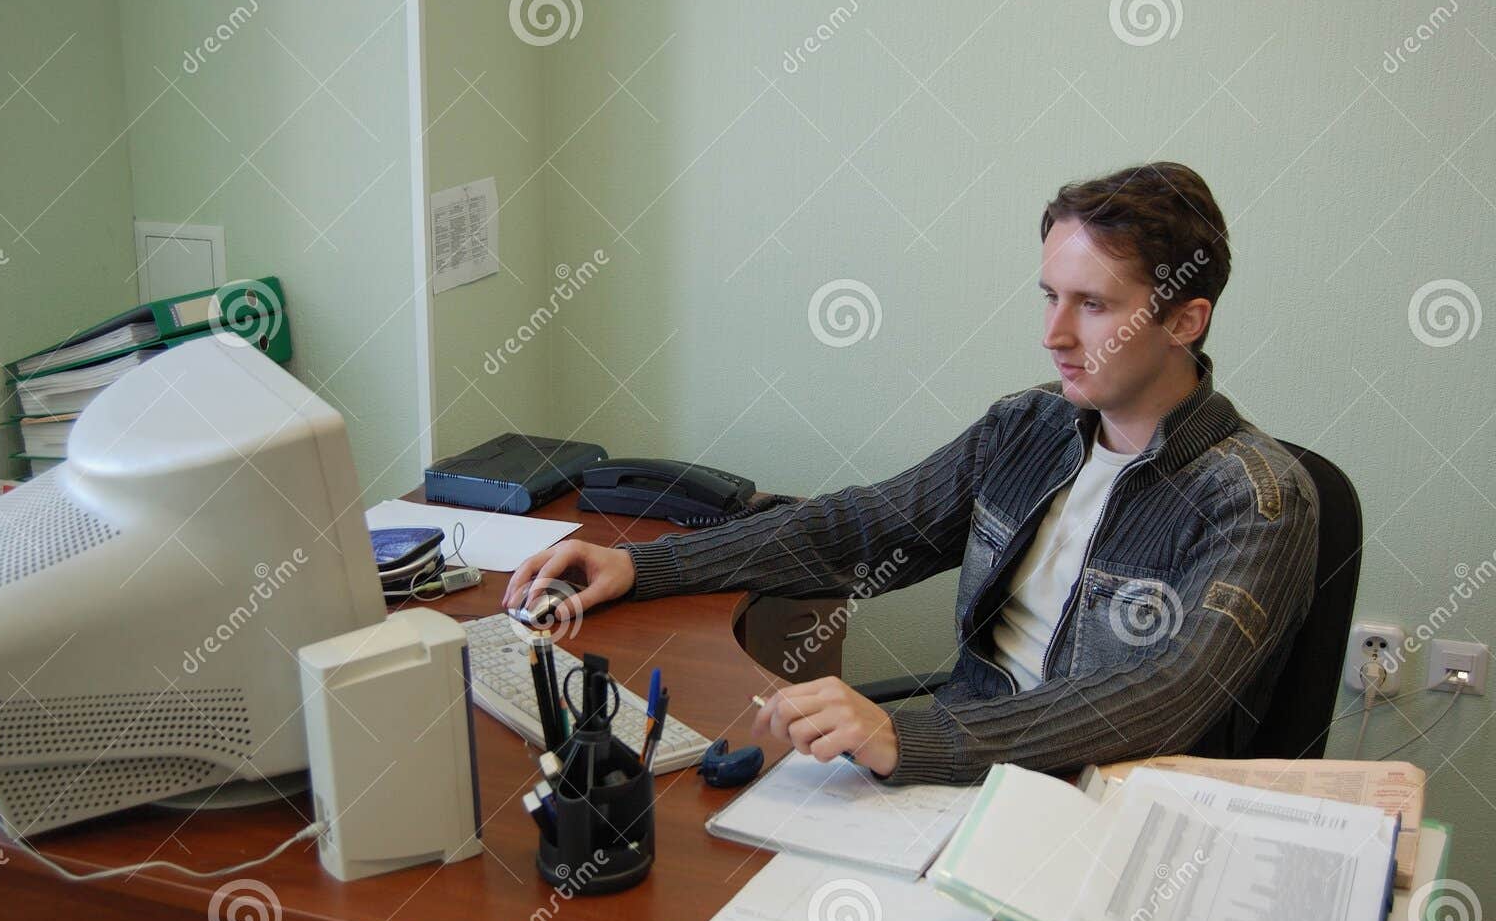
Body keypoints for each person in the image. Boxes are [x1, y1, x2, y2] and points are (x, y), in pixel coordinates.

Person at [502, 162, 1318, 784]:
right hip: (960, 779)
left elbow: (1168, 696)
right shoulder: (1026, 428)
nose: (1054, 334)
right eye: (1049, 297)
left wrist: (914, 737)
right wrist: (641, 564)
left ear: (1184, 318)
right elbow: (862, 530)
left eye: (1092, 306)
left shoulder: (1257, 499)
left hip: (1105, 808)